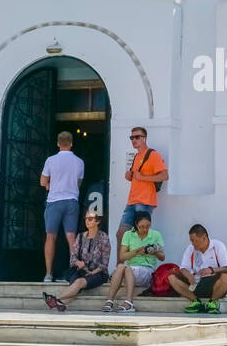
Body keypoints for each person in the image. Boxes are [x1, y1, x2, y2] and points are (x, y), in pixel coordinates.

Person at [116, 127, 167, 262]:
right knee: (121, 233)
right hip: (132, 201)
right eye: (131, 137)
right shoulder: (137, 156)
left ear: (144, 138)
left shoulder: (153, 155)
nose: (134, 140)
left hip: (145, 201)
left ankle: (144, 266)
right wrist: (130, 176)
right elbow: (136, 177)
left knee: (142, 234)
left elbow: (164, 175)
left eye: (137, 137)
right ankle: (119, 267)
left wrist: (143, 177)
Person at [43, 210, 110, 312]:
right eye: (86, 219)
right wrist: (78, 263)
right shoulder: (80, 237)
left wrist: (91, 272)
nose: (87, 221)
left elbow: (104, 263)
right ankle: (61, 304)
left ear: (97, 221)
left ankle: (55, 299)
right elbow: (73, 256)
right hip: (81, 270)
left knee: (78, 282)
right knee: (75, 284)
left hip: (98, 273)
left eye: (90, 219)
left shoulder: (103, 237)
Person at [40, 131, 85, 283]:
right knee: (71, 237)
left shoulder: (50, 160)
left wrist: (49, 184)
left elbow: (42, 181)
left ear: (58, 143)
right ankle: (72, 273)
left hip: (54, 201)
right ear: (71, 143)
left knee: (50, 236)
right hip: (72, 201)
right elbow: (79, 183)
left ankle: (48, 274)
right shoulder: (79, 162)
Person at [106, 212, 162, 314]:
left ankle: (129, 302)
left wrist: (155, 251)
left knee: (127, 268)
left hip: (146, 271)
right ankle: (110, 300)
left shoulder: (155, 235)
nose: (145, 229)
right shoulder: (128, 234)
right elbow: (122, 256)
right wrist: (137, 251)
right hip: (130, 271)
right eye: (142, 226)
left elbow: (162, 257)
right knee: (120, 266)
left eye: (148, 226)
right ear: (136, 225)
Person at [171, 224, 227, 315]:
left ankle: (212, 303)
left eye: (196, 240)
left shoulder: (218, 246)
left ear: (204, 237)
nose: (193, 243)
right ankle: (196, 302)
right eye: (191, 241)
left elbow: (226, 267)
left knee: (226, 276)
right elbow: (183, 268)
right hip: (195, 283)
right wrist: (189, 276)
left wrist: (211, 270)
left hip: (212, 283)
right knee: (171, 278)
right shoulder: (190, 248)